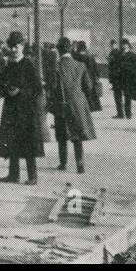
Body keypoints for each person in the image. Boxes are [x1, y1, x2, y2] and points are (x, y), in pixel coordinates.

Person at [0, 31, 44, 184]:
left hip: (26, 110)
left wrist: (20, 92)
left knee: (28, 142)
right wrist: (6, 90)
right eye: (12, 47)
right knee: (11, 142)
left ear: (22, 47)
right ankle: (13, 175)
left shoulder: (29, 65)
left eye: (16, 47)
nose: (14, 50)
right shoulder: (9, 65)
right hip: (11, 109)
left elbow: (37, 89)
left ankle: (32, 176)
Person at [51, 36, 97, 173]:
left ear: (59, 50)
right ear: (70, 49)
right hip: (77, 103)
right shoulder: (81, 65)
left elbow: (53, 87)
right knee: (77, 135)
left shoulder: (57, 66)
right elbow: (88, 86)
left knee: (62, 135)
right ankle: (80, 165)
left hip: (61, 103)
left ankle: (63, 163)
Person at [111, 37, 136, 119]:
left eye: (125, 45)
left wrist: (135, 77)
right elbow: (113, 66)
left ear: (128, 45)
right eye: (123, 45)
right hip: (118, 79)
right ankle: (120, 113)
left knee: (127, 96)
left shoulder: (133, 56)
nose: (124, 46)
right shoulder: (118, 55)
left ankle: (128, 113)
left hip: (128, 79)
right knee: (117, 96)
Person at [75, 40, 102, 112]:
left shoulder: (76, 57)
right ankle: (92, 107)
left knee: (82, 93)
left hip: (80, 77)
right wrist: (97, 76)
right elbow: (95, 67)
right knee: (91, 92)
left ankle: (84, 107)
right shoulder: (90, 57)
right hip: (90, 77)